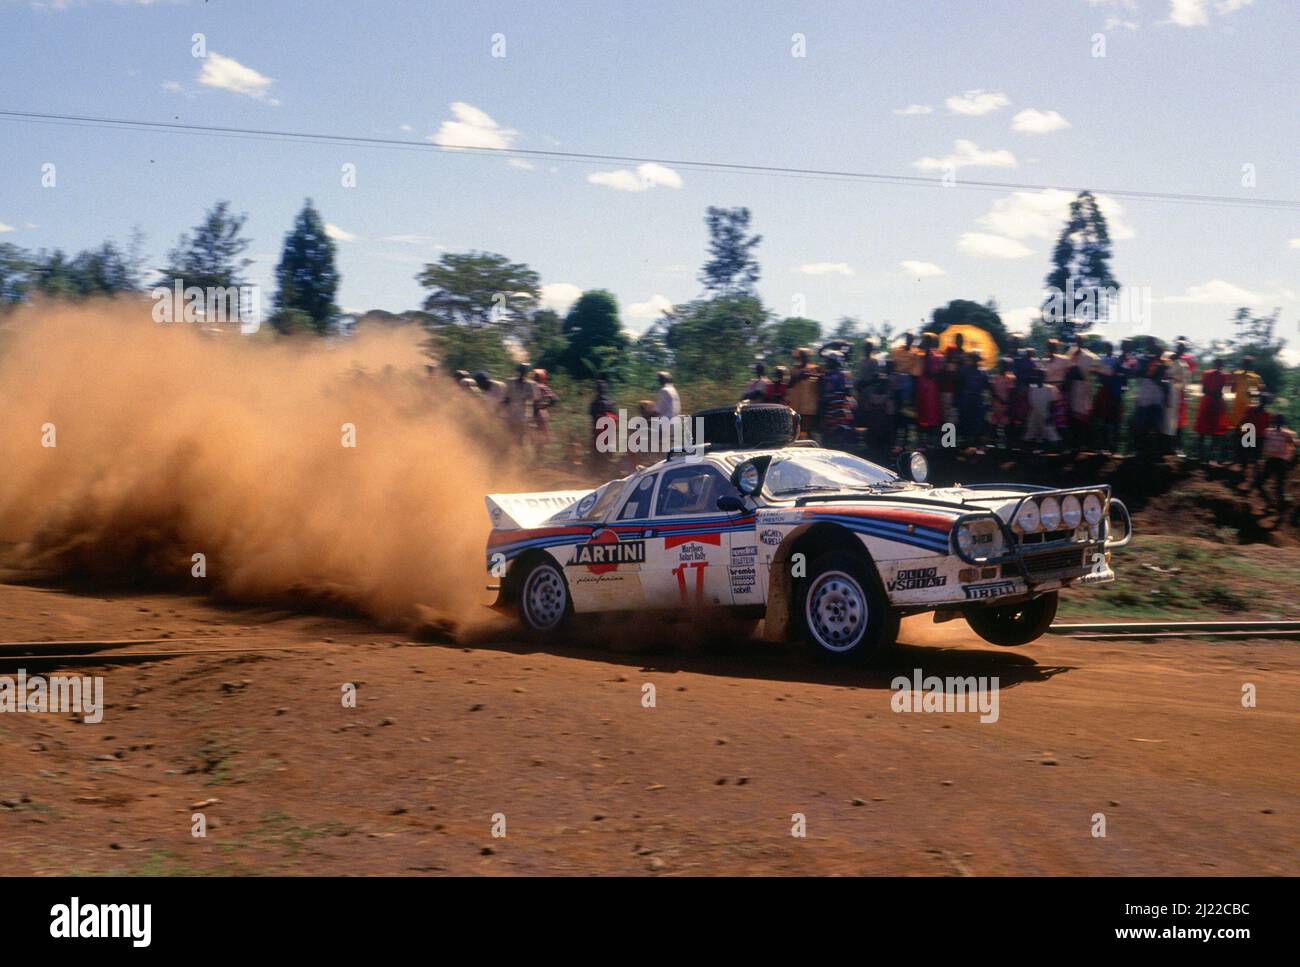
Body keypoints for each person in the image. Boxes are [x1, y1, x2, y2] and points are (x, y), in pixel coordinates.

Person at [1257, 415, 1298, 508]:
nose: (1278, 423)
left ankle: (1280, 507)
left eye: (1279, 421)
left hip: (1280, 462)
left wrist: (1291, 459)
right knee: (1261, 484)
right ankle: (1273, 503)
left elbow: (1294, 446)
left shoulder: (1287, 434)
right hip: (1272, 461)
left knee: (1278, 487)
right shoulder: (1268, 432)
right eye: (1277, 421)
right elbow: (1261, 441)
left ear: (1282, 422)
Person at [818, 352, 857, 450]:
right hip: (828, 406)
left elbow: (847, 392)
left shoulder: (843, 374)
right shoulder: (826, 374)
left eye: (829, 361)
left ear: (836, 362)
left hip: (839, 406)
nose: (827, 363)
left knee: (840, 430)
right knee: (827, 432)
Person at [1194, 358, 1230, 462]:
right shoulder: (1208, 374)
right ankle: (1201, 456)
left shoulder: (1222, 376)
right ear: (1215, 364)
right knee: (1203, 430)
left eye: (1220, 364)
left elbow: (1215, 390)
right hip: (1210, 403)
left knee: (1213, 431)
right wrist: (1215, 394)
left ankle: (1208, 457)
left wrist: (1215, 393)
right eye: (1218, 363)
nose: (1219, 366)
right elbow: (1204, 390)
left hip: (1214, 404)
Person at [503, 363, 538, 451]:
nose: (523, 373)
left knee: (520, 440)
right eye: (522, 371)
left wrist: (533, 418)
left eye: (525, 371)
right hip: (512, 416)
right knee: (509, 439)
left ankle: (518, 459)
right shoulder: (510, 382)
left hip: (523, 417)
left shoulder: (531, 384)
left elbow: (534, 401)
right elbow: (506, 399)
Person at [787, 348, 822, 438]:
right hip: (796, 405)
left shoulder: (815, 368)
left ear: (809, 357)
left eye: (805, 356)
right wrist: (799, 376)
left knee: (807, 430)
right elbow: (789, 384)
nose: (803, 358)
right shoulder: (794, 369)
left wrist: (816, 375)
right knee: (796, 430)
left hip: (810, 406)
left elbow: (822, 382)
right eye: (801, 356)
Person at [915, 333, 943, 444]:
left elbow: (934, 372)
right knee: (923, 413)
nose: (925, 343)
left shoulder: (935, 356)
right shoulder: (921, 355)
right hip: (923, 387)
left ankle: (930, 441)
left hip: (930, 388)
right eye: (925, 341)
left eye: (927, 341)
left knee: (931, 413)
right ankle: (924, 441)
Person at [957, 351, 988, 449]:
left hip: (977, 398)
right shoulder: (964, 370)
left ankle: (973, 441)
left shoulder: (983, 371)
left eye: (976, 359)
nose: (975, 361)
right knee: (966, 419)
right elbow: (959, 384)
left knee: (976, 420)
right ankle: (965, 441)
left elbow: (986, 385)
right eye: (974, 359)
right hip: (967, 398)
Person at [1023, 371, 1061, 451]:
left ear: (1044, 378)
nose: (1037, 378)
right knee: (1031, 433)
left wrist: (1050, 416)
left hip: (1046, 413)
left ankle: (1058, 451)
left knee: (1051, 434)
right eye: (1036, 376)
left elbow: (1053, 403)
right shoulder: (1032, 388)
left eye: (1039, 376)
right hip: (1035, 413)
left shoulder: (1050, 388)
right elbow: (1030, 402)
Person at [589, 378, 616, 473]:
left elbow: (592, 417)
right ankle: (608, 471)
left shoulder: (595, 403)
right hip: (610, 431)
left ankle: (597, 472)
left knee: (597, 452)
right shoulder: (611, 402)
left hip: (598, 431)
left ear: (596, 390)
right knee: (608, 451)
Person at [531, 368, 558, 456]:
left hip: (533, 413)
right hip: (540, 413)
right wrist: (544, 406)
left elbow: (554, 399)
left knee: (535, 437)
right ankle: (537, 457)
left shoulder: (532, 386)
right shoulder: (542, 387)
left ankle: (536, 457)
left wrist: (543, 406)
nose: (534, 377)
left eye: (535, 376)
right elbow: (555, 399)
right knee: (540, 437)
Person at [989, 357, 1015, 448]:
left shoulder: (1010, 378)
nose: (1003, 367)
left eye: (1005, 365)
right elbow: (992, 392)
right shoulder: (995, 377)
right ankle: (994, 444)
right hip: (998, 405)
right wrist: (1000, 401)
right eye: (1002, 365)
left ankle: (1005, 445)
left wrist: (1008, 405)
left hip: (1005, 406)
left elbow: (1012, 393)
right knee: (994, 425)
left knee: (1005, 426)